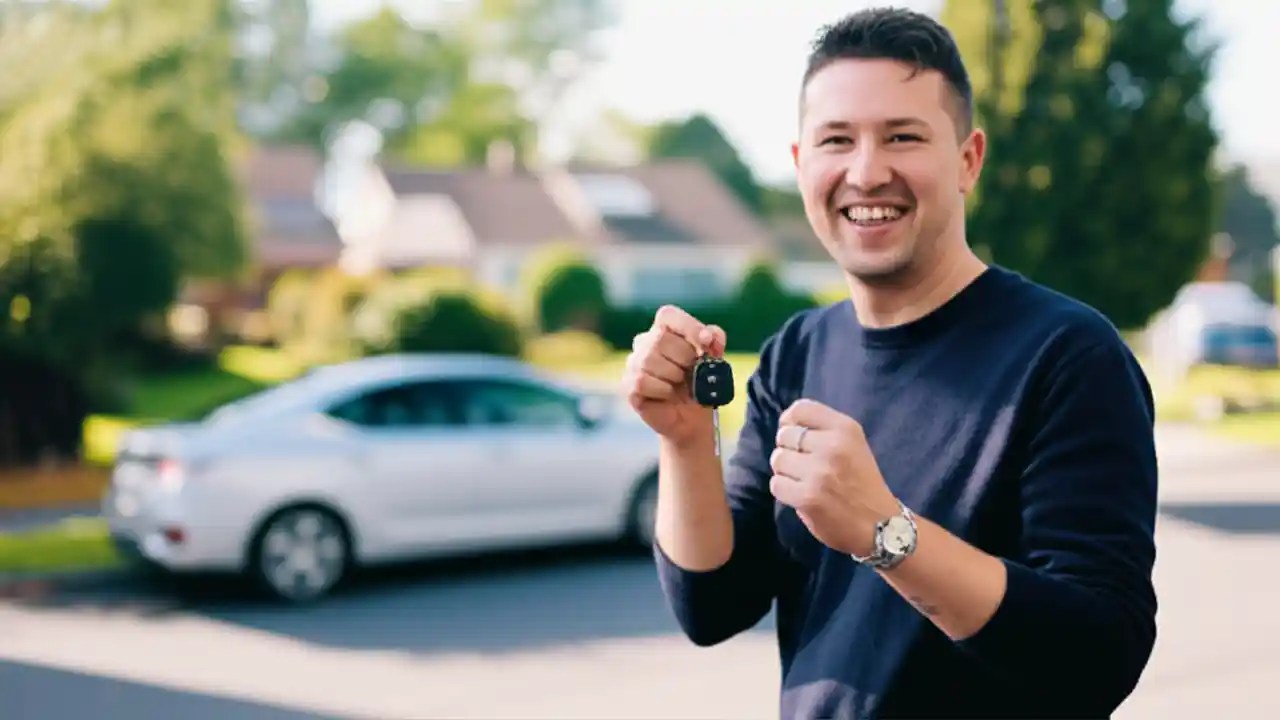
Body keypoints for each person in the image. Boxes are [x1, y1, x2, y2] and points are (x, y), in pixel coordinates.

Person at [621, 7, 1159, 719]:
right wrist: (685, 440)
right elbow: (711, 604)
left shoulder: (1069, 355)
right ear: (800, 163)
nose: (866, 172)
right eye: (836, 140)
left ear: (967, 160)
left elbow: (1099, 653)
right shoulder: (798, 350)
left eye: (903, 137)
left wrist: (887, 534)